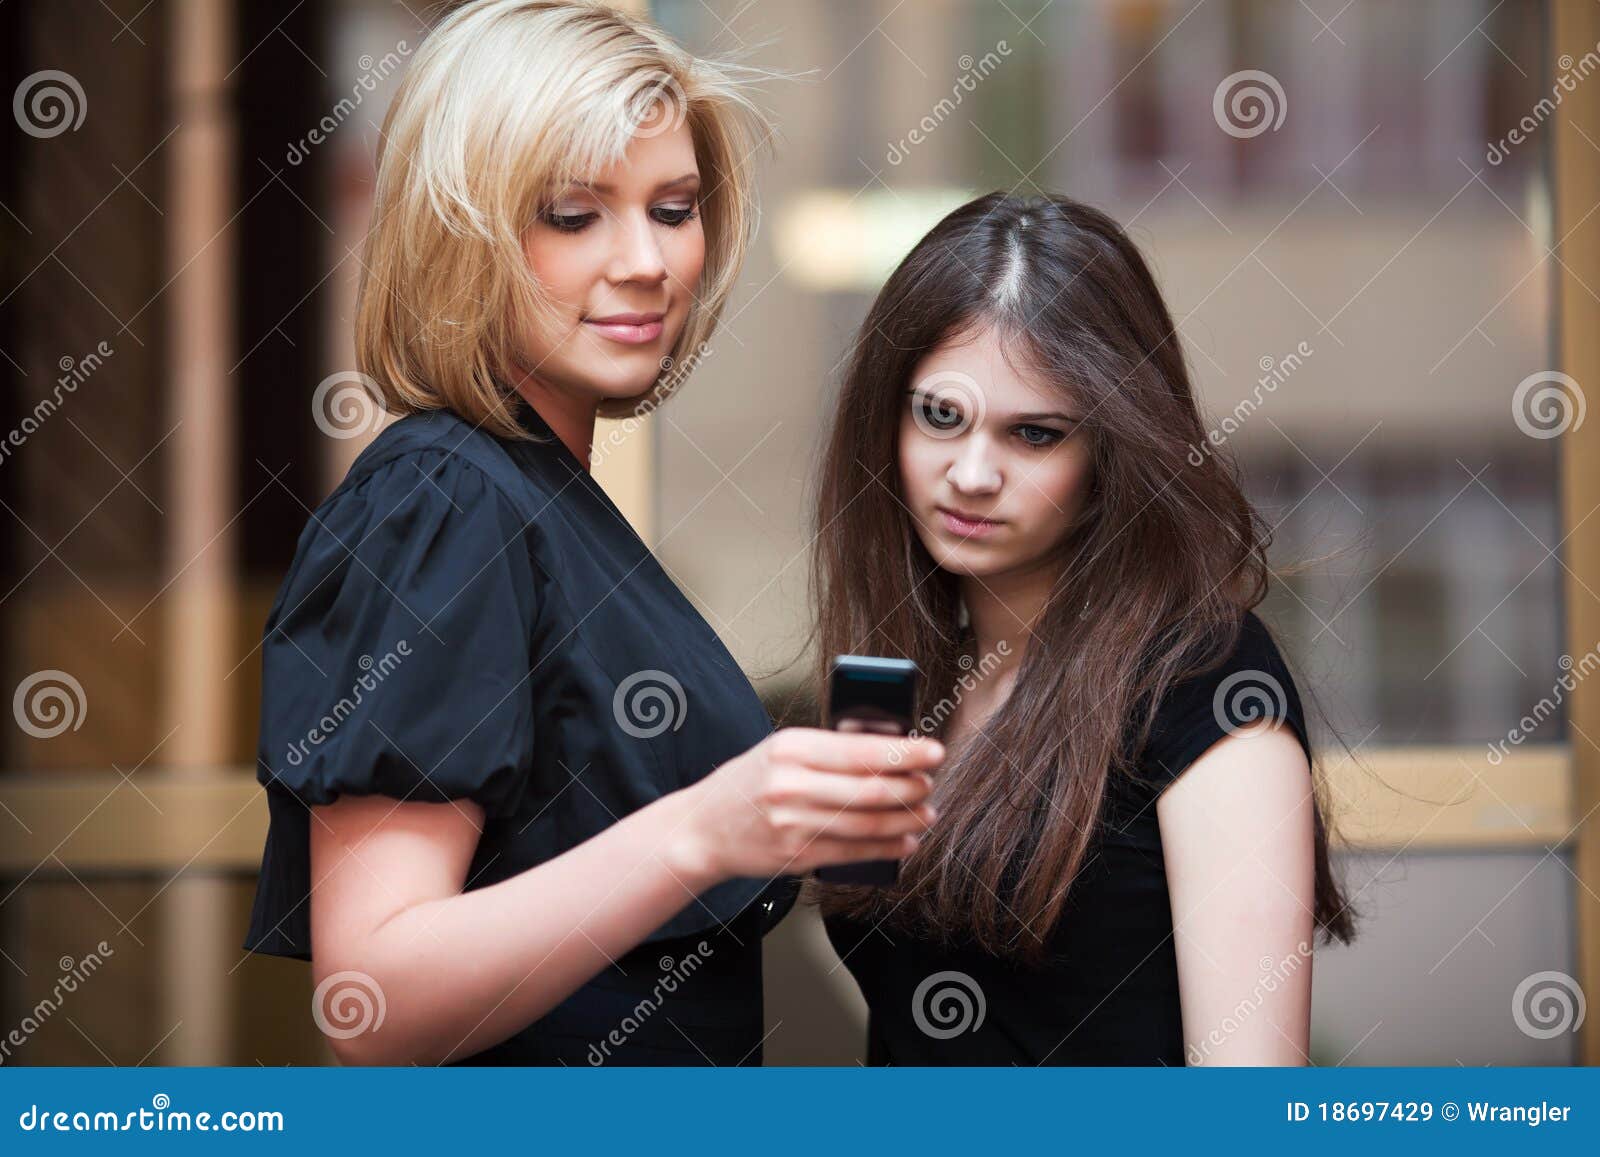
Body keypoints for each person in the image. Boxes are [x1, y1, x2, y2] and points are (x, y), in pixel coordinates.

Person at [242, 0, 941, 1067]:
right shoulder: (447, 499)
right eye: (574, 215)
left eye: (674, 207)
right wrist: (705, 829)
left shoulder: (534, 495)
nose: (647, 260)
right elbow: (371, 1001)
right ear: (459, 230)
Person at [810, 192, 1357, 1066]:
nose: (973, 473)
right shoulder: (883, 679)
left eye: (1033, 433)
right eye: (939, 416)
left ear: (1111, 450)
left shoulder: (1208, 683)